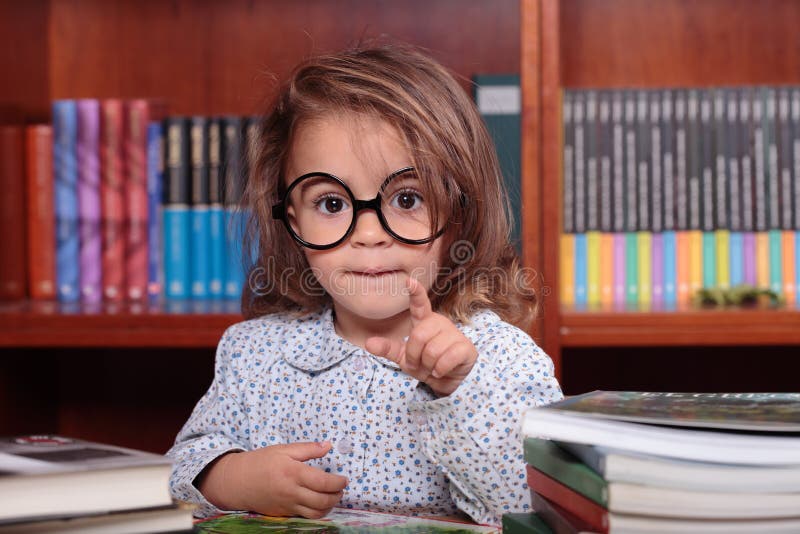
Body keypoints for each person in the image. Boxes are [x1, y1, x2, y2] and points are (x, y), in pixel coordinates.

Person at [166, 42, 563, 527]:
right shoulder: (254, 354)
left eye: (408, 198)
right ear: (293, 220)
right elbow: (175, 470)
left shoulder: (500, 359)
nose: (369, 234)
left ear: (458, 216)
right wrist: (231, 478)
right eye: (332, 204)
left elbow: (533, 509)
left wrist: (458, 391)